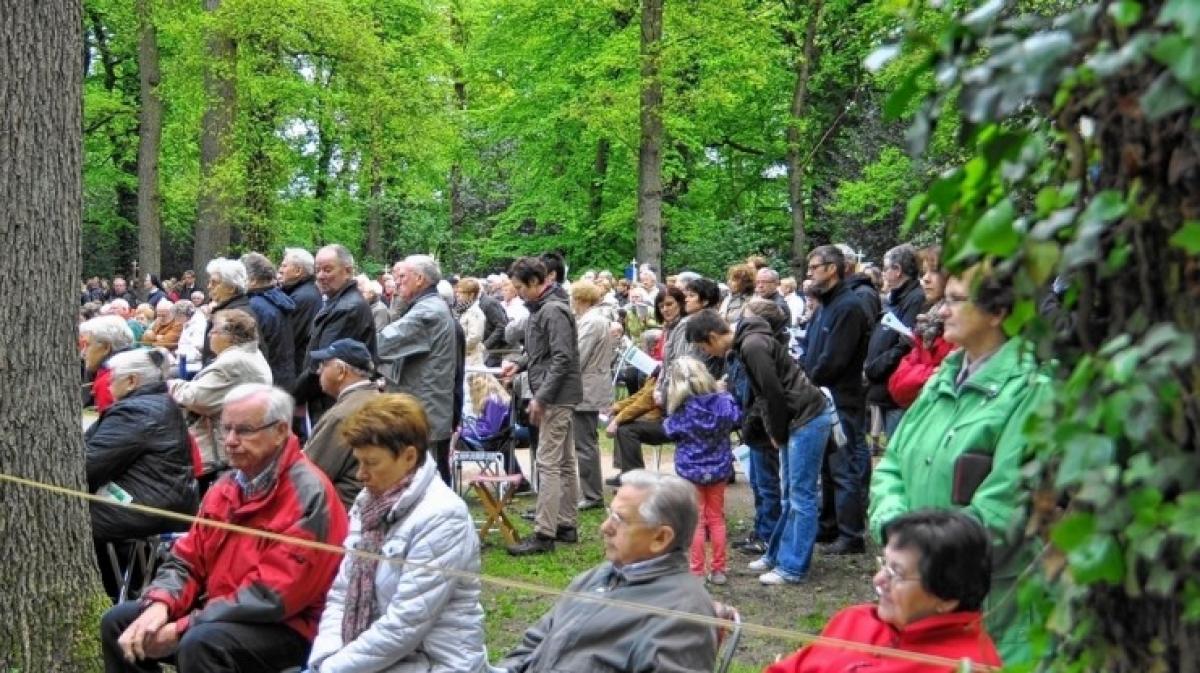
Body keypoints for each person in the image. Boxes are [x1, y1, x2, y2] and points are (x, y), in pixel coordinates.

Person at [870, 265, 1050, 664]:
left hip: (993, 612)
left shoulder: (1032, 391)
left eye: (955, 301)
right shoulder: (941, 379)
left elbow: (1005, 508)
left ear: (998, 311)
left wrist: (918, 558)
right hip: (919, 599)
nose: (941, 311)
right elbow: (891, 465)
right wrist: (894, 530)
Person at [100, 384, 348, 673]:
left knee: (201, 644)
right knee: (120, 623)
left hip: (290, 624)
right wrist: (161, 604)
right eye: (225, 427)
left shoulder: (308, 494)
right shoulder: (228, 484)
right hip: (221, 610)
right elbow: (187, 559)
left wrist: (184, 625)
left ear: (280, 431)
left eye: (244, 430)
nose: (229, 440)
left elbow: (273, 596)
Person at [307, 394, 486, 673]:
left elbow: (406, 623)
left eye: (371, 463)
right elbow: (341, 595)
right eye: (358, 462)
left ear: (408, 457)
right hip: (373, 660)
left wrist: (332, 669)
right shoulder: (367, 505)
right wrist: (325, 658)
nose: (360, 475)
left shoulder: (443, 516)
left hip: (434, 664)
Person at [494, 470, 717, 672]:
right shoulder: (598, 575)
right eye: (610, 514)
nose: (605, 527)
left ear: (660, 538)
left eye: (619, 520)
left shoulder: (683, 614)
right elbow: (535, 641)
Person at [689, 307, 831, 585]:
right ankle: (776, 555)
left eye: (704, 346)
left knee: (801, 497)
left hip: (806, 418)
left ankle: (793, 567)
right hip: (794, 420)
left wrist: (775, 433)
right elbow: (764, 396)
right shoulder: (747, 344)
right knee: (788, 494)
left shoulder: (752, 345)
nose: (707, 353)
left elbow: (772, 392)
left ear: (714, 336)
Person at [765, 510, 1001, 673]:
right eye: (884, 565)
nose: (878, 579)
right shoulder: (855, 620)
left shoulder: (967, 665)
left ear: (947, 598)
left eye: (896, 573)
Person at [86, 349, 198, 599]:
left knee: (68, 518)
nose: (107, 383)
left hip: (145, 506)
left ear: (132, 381)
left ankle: (107, 592)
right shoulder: (156, 403)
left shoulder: (135, 411)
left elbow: (88, 467)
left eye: (112, 378)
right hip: (161, 500)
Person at [500, 256, 583, 556]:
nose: (518, 292)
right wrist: (519, 365)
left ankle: (544, 533)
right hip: (556, 393)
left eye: (521, 287)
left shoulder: (552, 311)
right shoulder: (543, 309)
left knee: (548, 463)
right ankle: (565, 524)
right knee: (562, 461)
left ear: (537, 282)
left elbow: (563, 358)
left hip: (557, 396)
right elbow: (541, 355)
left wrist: (541, 397)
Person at [803, 244, 873, 555]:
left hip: (841, 399)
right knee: (828, 467)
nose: (809, 274)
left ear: (832, 268)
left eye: (814, 267)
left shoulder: (849, 307)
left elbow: (835, 359)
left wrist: (810, 378)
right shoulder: (825, 306)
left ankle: (851, 534)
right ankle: (829, 524)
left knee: (845, 467)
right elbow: (811, 348)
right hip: (823, 396)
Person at [378, 255, 458, 483]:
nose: (396, 281)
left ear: (420, 279)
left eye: (402, 277)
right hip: (423, 410)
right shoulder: (428, 306)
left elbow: (383, 344)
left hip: (423, 413)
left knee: (419, 484)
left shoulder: (427, 312)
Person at [662, 356, 740, 585]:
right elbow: (737, 417)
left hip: (690, 471)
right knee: (717, 518)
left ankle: (696, 571)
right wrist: (725, 393)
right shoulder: (723, 403)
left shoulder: (683, 410)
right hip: (719, 468)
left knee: (697, 520)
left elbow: (669, 430)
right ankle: (719, 569)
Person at [169, 309, 272, 477]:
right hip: (234, 444)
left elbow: (197, 398)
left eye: (214, 330)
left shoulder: (233, 362)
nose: (209, 334)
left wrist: (171, 386)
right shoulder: (248, 354)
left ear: (229, 336)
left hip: (222, 453)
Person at [294, 244, 378, 426]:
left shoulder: (347, 308)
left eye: (327, 270)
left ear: (347, 271)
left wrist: (292, 397)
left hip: (333, 402)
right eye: (317, 270)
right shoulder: (338, 303)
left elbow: (323, 364)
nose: (321, 276)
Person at [607, 286, 684, 482]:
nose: (665, 309)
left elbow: (651, 396)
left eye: (669, 304)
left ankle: (636, 479)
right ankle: (626, 472)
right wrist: (617, 407)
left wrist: (619, 417)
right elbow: (648, 390)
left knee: (624, 427)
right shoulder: (667, 330)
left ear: (680, 304)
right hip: (660, 398)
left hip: (675, 412)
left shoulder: (681, 331)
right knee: (621, 418)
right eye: (661, 306)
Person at [304, 338, 382, 510]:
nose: (318, 371)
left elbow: (309, 474)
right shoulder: (375, 397)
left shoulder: (343, 415)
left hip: (342, 513)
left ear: (341, 371)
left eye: (324, 365)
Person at [864, 244, 926, 440]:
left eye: (885, 268)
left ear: (897, 270)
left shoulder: (915, 299)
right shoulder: (898, 298)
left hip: (897, 390)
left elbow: (905, 343)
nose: (882, 273)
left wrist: (876, 367)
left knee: (896, 444)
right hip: (885, 387)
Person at [888, 246, 955, 409]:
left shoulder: (955, 325)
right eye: (924, 272)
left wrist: (918, 372)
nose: (925, 279)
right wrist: (929, 373)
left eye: (934, 271)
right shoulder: (929, 323)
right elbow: (897, 385)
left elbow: (948, 377)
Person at [570, 279, 617, 510]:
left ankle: (592, 495)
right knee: (586, 442)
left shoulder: (591, 322)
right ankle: (590, 492)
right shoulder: (593, 320)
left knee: (585, 443)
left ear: (580, 298)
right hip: (589, 386)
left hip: (587, 389)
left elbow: (579, 356)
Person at [242, 252, 297, 391]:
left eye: (242, 276)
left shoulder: (255, 306)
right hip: (284, 376)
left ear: (253, 279)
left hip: (267, 381)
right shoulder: (278, 300)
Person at [200, 257, 252, 365]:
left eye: (214, 283)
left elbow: (229, 362)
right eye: (209, 282)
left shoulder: (236, 316)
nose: (209, 286)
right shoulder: (227, 309)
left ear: (231, 288)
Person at [280, 247, 323, 377]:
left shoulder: (303, 297)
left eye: (284, 266)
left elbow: (289, 338)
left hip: (296, 369)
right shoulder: (300, 293)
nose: (280, 270)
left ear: (298, 271)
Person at [81, 315, 135, 413]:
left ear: (106, 347)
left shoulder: (110, 381)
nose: (83, 353)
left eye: (88, 345)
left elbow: (111, 425)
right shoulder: (138, 365)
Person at [453, 277, 488, 365]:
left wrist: (457, 348)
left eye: (461, 292)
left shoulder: (475, 312)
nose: (457, 295)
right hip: (461, 357)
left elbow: (474, 337)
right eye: (457, 292)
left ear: (471, 295)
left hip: (471, 358)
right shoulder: (461, 310)